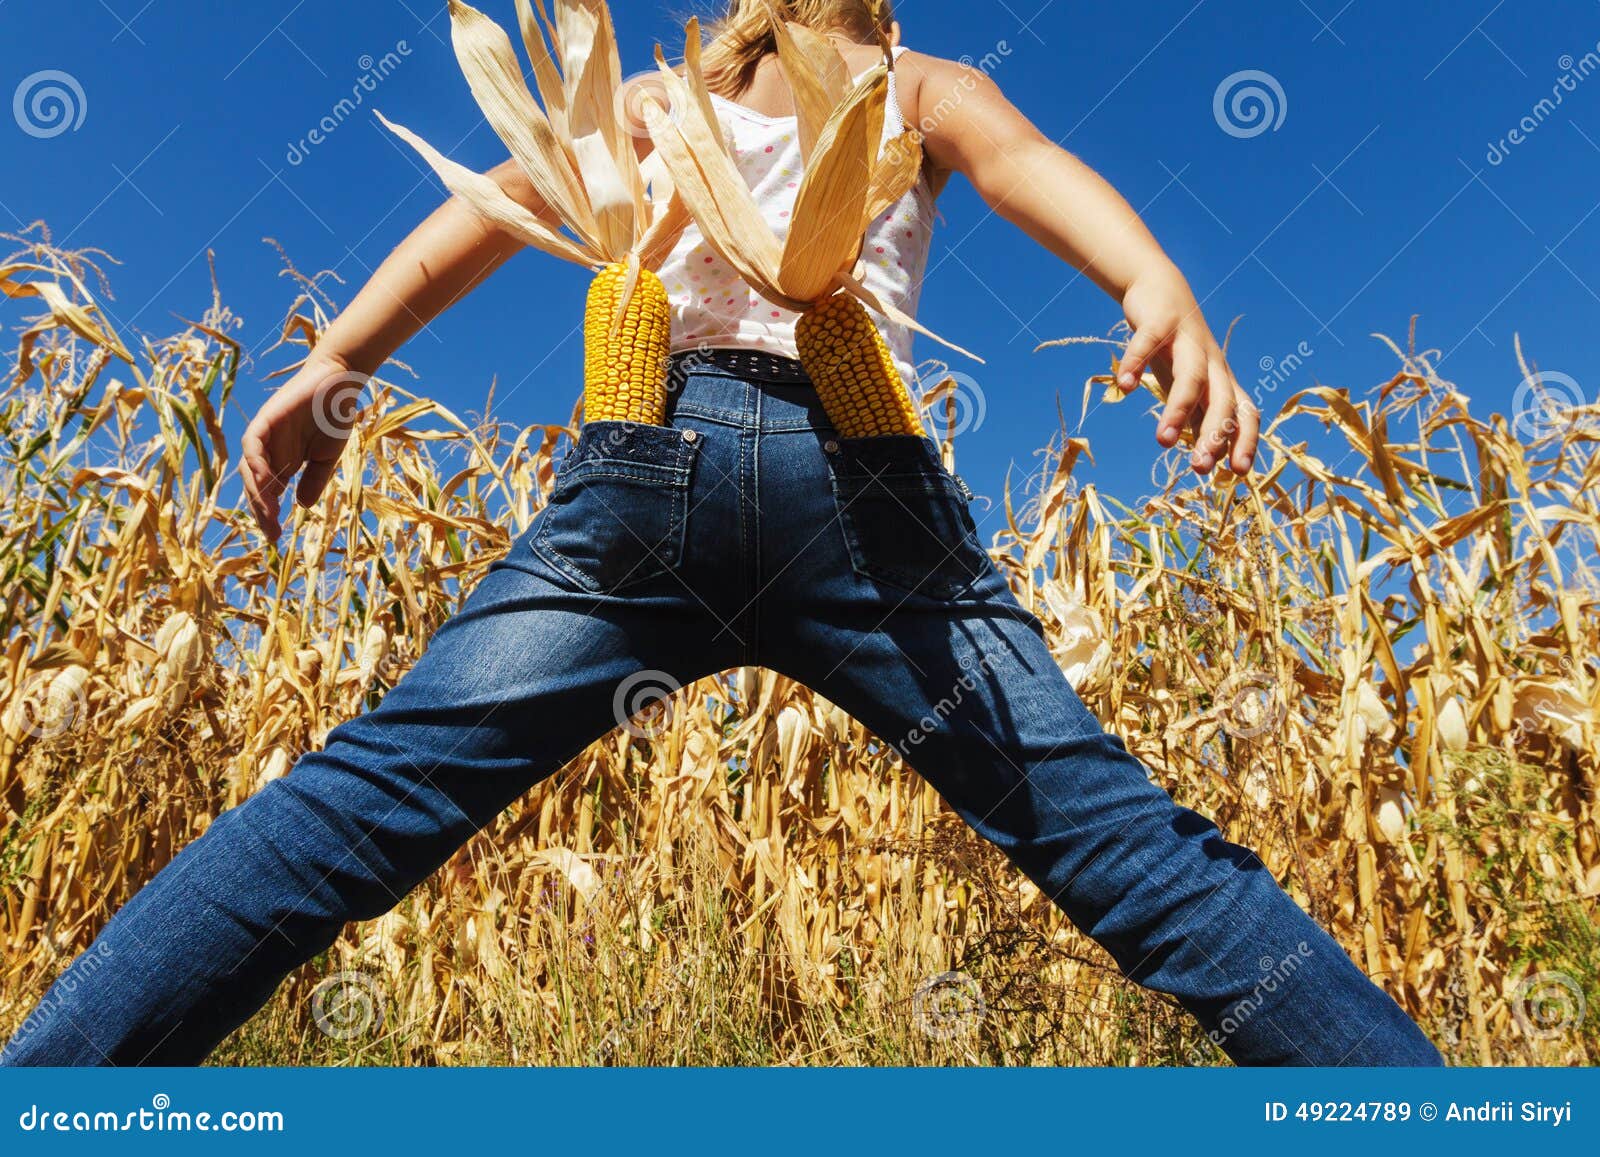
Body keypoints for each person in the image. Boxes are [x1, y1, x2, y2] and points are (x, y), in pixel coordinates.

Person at [1, 0, 1442, 1066]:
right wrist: (1154, 281)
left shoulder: (648, 100)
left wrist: (338, 361)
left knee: (361, 797)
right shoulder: (919, 85)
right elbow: (1029, 164)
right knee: (1122, 842)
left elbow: (482, 221)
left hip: (646, 477)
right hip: (860, 495)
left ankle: (53, 1092)